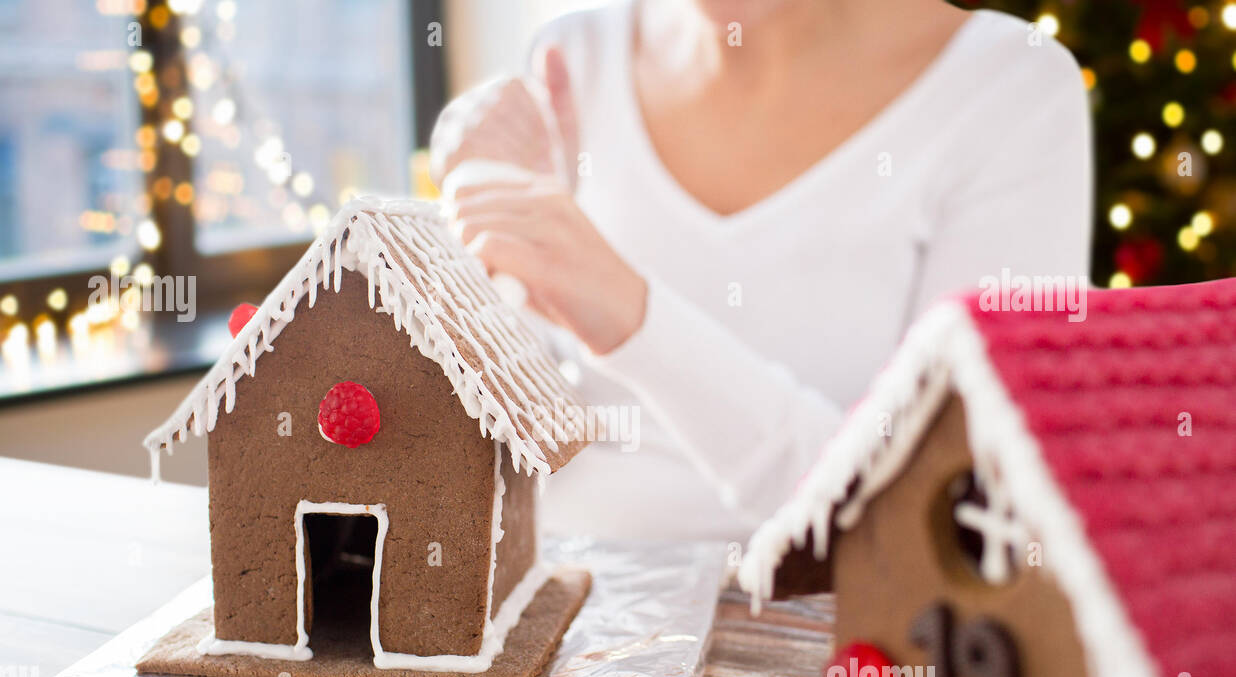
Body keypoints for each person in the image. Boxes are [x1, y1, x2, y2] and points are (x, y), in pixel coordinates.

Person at [432, 0, 1091, 543]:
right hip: (563, 631)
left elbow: (948, 528)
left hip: (837, 657)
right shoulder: (573, 58)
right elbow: (517, 437)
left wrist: (635, 320)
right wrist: (477, 238)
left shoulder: (1011, 89)